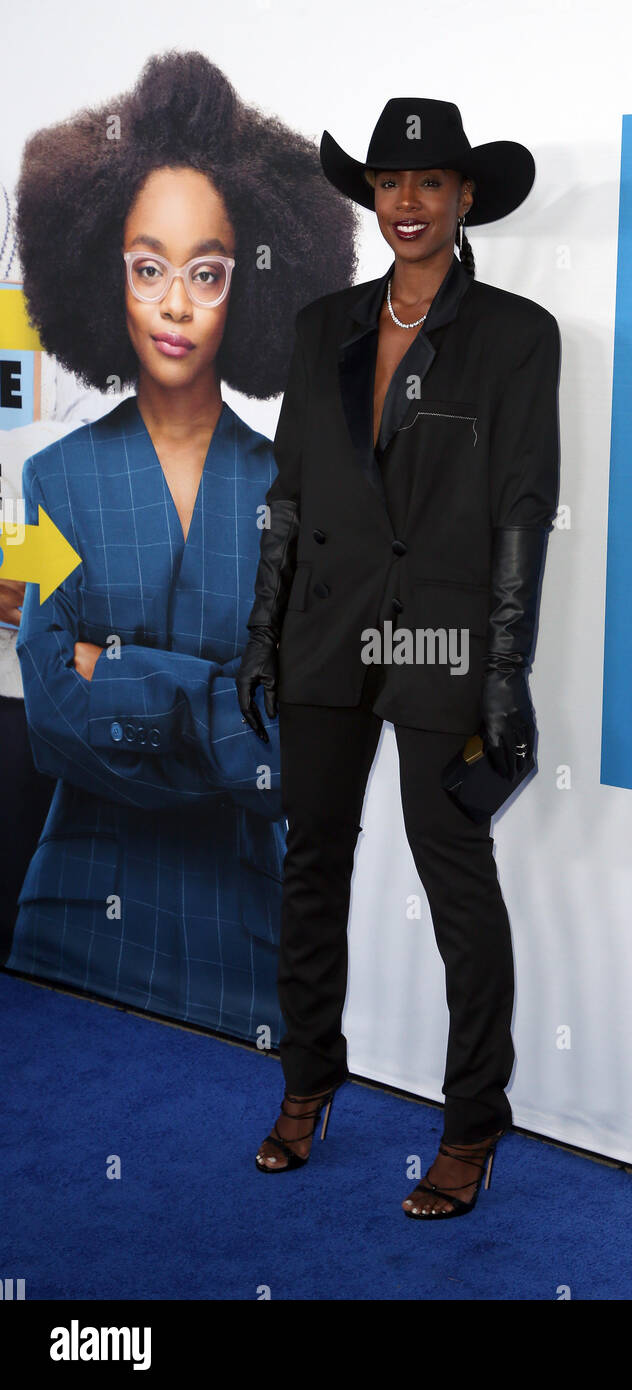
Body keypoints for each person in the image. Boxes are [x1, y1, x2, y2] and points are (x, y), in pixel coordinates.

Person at [237, 98, 561, 1215]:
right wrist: (262, 627)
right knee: (310, 863)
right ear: (371, 196)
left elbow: (525, 509)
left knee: (455, 883)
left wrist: (505, 670)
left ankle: (473, 1120)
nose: (407, 202)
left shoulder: (520, 335)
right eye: (389, 181)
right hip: (328, 629)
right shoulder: (320, 320)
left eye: (430, 181)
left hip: (440, 638)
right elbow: (288, 495)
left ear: (468, 197)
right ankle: (306, 1082)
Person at [5, 52, 356, 1040]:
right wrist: (218, 699)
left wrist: (112, 671)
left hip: (244, 940)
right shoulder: (51, 483)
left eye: (206, 272)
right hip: (72, 921)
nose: (173, 303)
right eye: (147, 267)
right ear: (104, 275)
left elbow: (296, 755)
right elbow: (49, 723)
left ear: (248, 286)